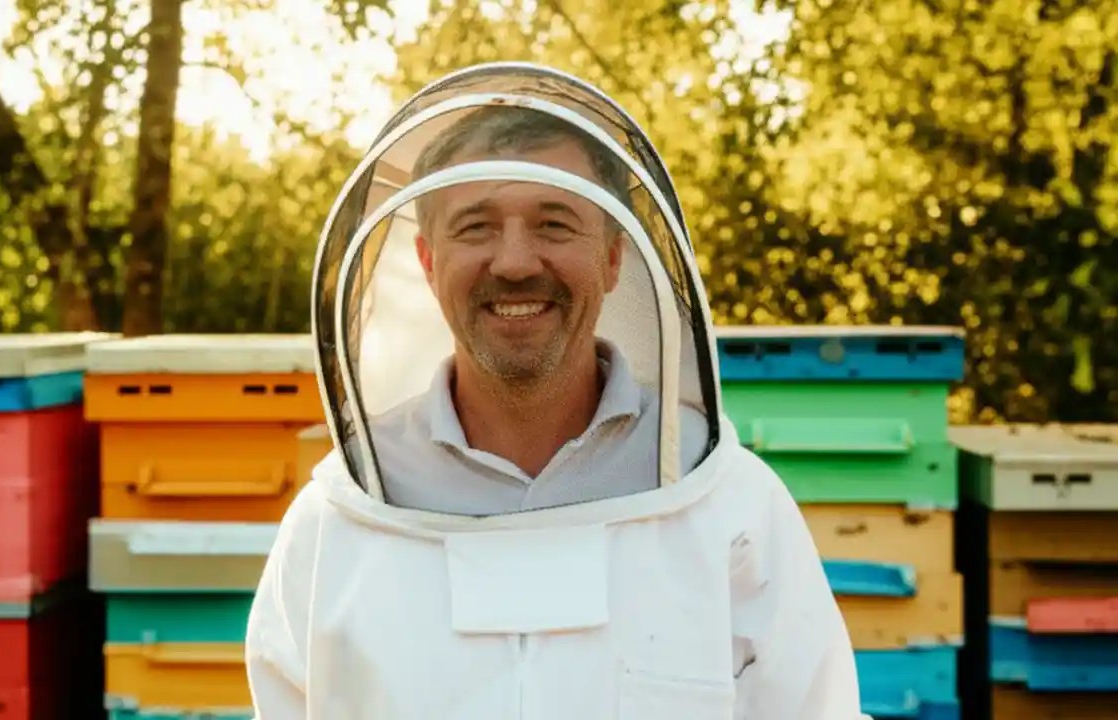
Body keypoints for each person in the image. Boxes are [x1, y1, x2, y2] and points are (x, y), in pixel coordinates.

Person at [245, 63, 866, 719]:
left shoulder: (733, 509)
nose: (514, 263)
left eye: (554, 224)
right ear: (428, 262)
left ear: (613, 257)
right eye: (476, 226)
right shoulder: (335, 523)